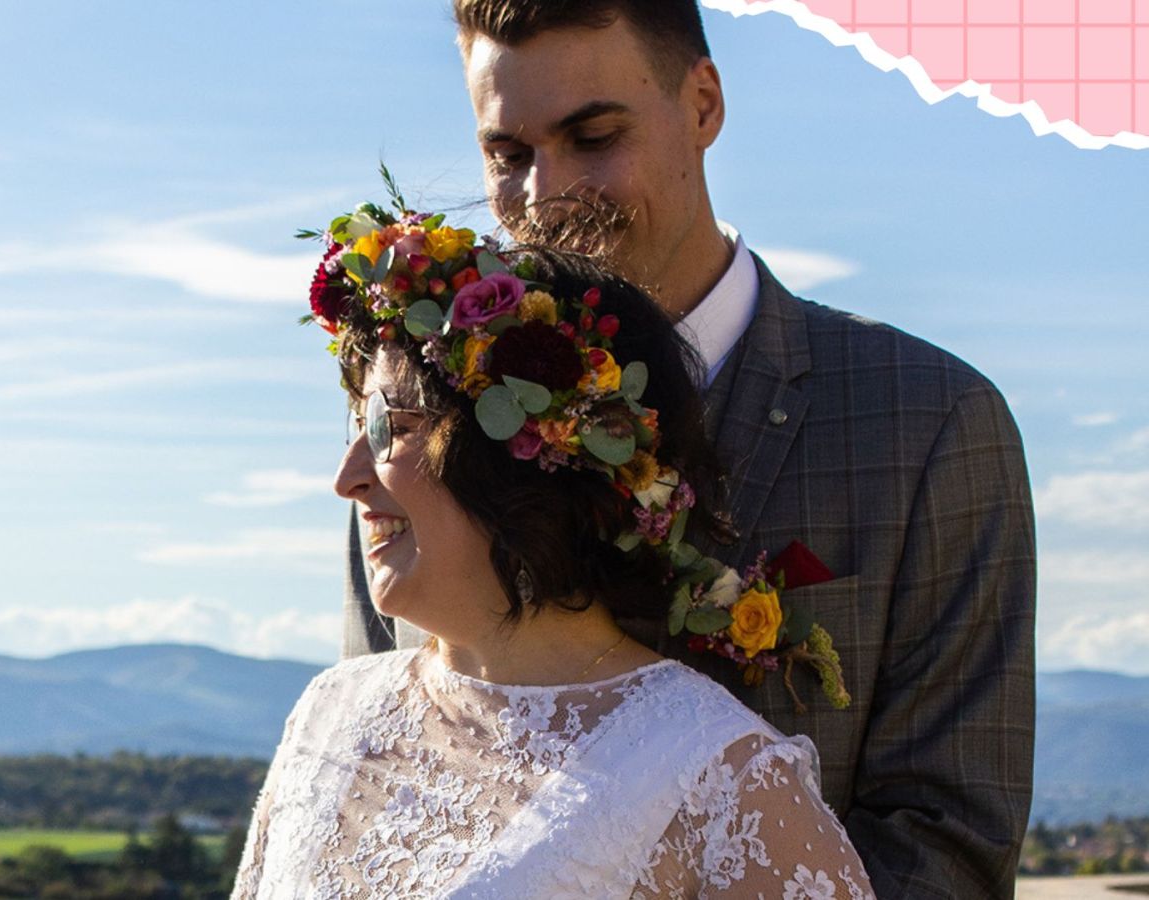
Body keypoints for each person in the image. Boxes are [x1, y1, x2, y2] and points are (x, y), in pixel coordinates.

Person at [342, 3, 1037, 897]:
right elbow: (374, 784)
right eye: (507, 156)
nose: (544, 197)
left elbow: (947, 843)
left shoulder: (932, 423)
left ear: (704, 103)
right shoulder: (415, 425)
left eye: (593, 136)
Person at [234, 215, 875, 897]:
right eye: (354, 425)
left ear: (529, 453)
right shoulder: (329, 713)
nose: (347, 478)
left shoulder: (719, 782)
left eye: (390, 426)